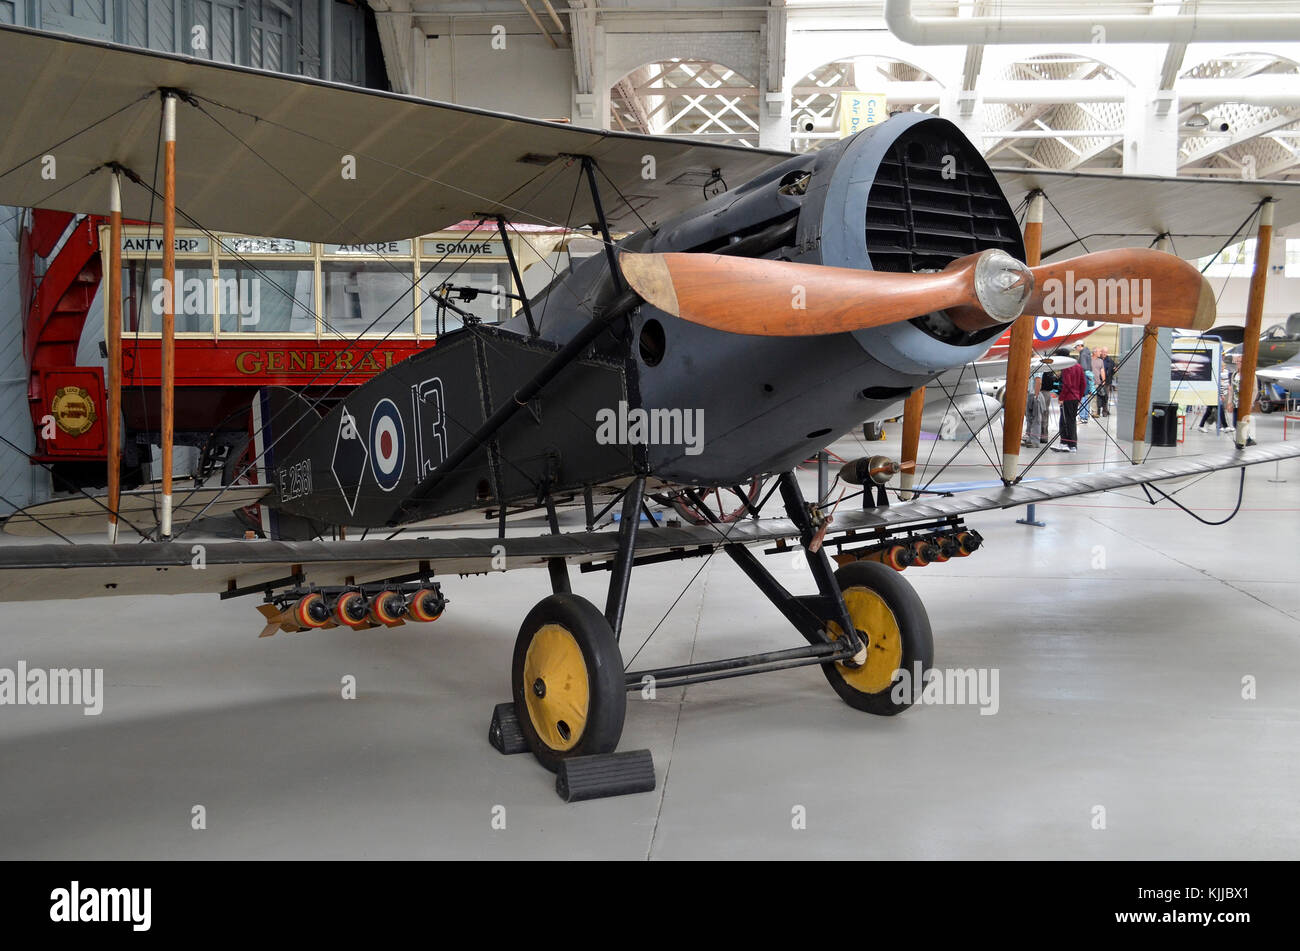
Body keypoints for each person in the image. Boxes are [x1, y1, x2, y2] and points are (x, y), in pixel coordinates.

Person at [1053, 359, 1086, 452]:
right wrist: (1079, 397)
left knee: (1064, 421)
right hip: (1075, 397)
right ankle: (1073, 445)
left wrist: (1061, 397)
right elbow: (1083, 383)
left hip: (1067, 397)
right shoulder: (1079, 367)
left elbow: (1067, 384)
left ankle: (1064, 443)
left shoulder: (1066, 367)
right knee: (1071, 420)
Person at [1091, 348, 1109, 417]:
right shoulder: (1089, 360)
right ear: (1094, 352)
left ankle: (1094, 412)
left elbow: (1102, 371)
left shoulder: (1100, 361)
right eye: (1099, 352)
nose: (1100, 353)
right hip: (1090, 382)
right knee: (1088, 398)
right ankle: (1086, 414)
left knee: (1095, 398)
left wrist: (1103, 381)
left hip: (1097, 382)